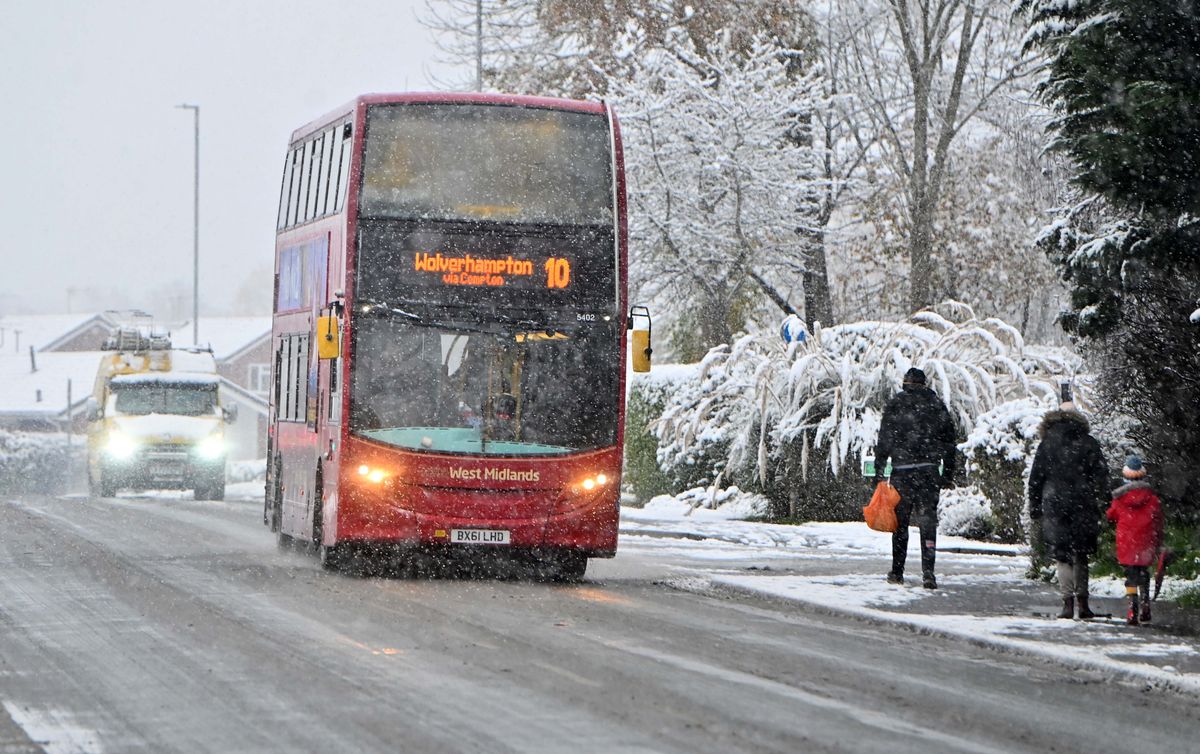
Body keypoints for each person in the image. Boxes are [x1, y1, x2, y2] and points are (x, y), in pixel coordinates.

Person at [874, 367, 957, 589]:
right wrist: (947, 474)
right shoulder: (936, 406)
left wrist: (879, 470)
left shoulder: (896, 405)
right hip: (929, 473)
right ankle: (928, 572)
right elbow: (950, 442)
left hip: (902, 473)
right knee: (927, 522)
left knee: (899, 525)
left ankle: (897, 571)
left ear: (905, 384)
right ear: (925, 384)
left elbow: (884, 439)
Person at [1028, 400, 1107, 619]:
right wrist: (1104, 501)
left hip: (1054, 502)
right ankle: (1083, 603)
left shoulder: (1047, 443)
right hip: (1083, 501)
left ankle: (1067, 604)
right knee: (1080, 553)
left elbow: (1036, 478)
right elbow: (1101, 475)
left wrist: (1035, 506)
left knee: (1062, 554)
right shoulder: (1088, 442)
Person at [1106, 456, 1164, 625]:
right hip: (1146, 540)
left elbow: (1111, 515)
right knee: (1143, 572)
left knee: (1131, 575)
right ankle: (1146, 604)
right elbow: (1158, 518)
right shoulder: (1152, 498)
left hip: (1127, 541)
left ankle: (1133, 608)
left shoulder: (1120, 498)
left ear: (1125, 478)